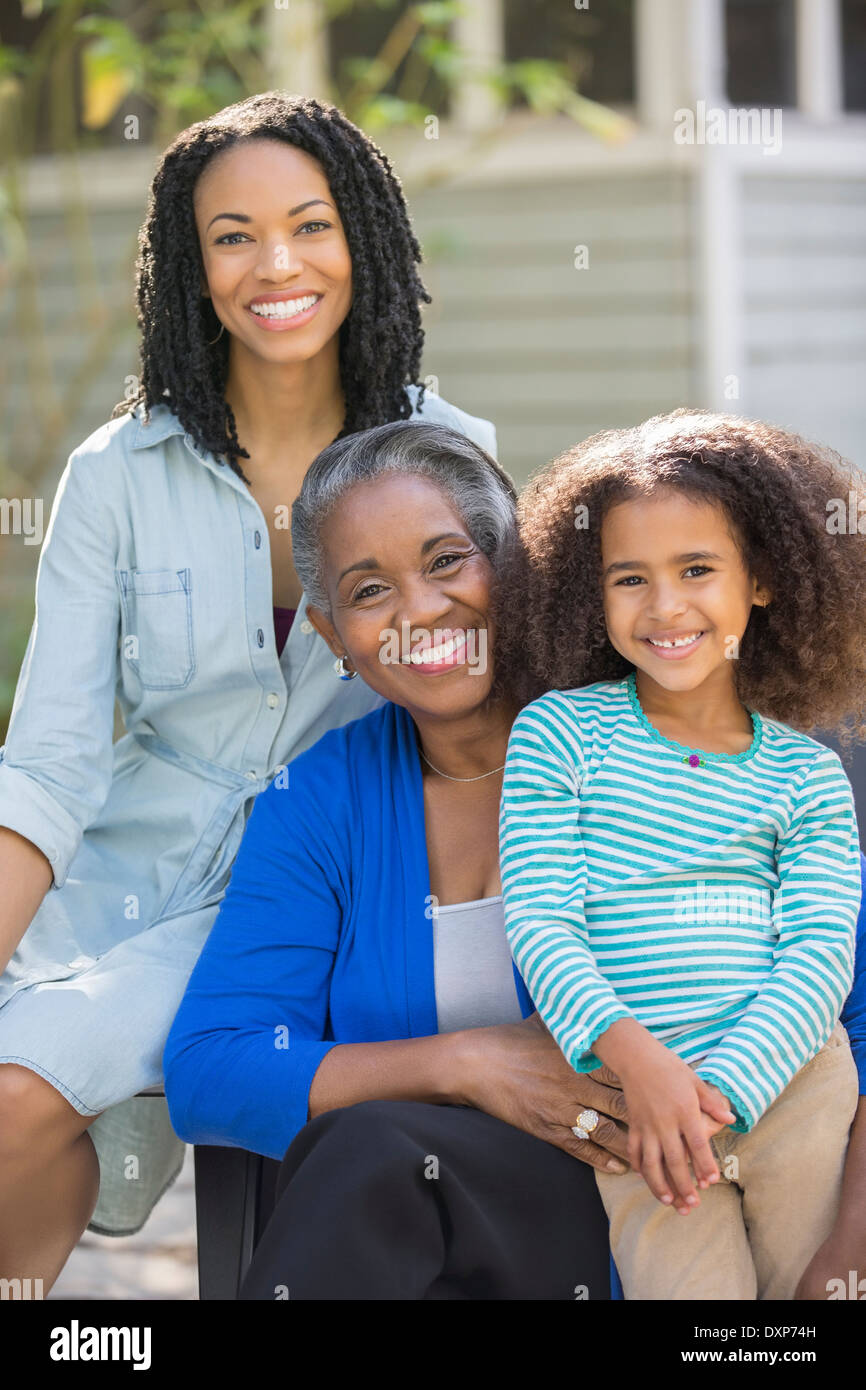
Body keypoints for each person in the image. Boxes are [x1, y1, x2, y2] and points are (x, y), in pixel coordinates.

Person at [164, 418, 866, 1301]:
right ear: (333, 634)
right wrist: (469, 1064)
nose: (420, 610)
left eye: (449, 561)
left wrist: (847, 1248)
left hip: (693, 1200)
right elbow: (211, 1068)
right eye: (370, 590)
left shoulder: (674, 741)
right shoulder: (321, 801)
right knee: (377, 1155)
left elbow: (849, 1007)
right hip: (469, 1215)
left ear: (524, 563)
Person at [0, 90, 498, 1289]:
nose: (275, 264)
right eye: (233, 236)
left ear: (360, 239)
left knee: (17, 1089)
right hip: (123, 880)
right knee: (28, 1095)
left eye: (309, 224)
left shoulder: (445, 451)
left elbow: (485, 702)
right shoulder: (116, 473)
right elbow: (52, 758)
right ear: (191, 263)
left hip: (317, 889)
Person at [496, 407, 866, 1300]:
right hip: (635, 1108)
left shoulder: (810, 777)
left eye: (697, 570)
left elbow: (819, 958)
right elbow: (544, 922)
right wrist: (641, 1066)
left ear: (763, 583)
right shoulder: (559, 736)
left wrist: (721, 1097)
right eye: (631, 579)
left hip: (791, 1087)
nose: (665, 607)